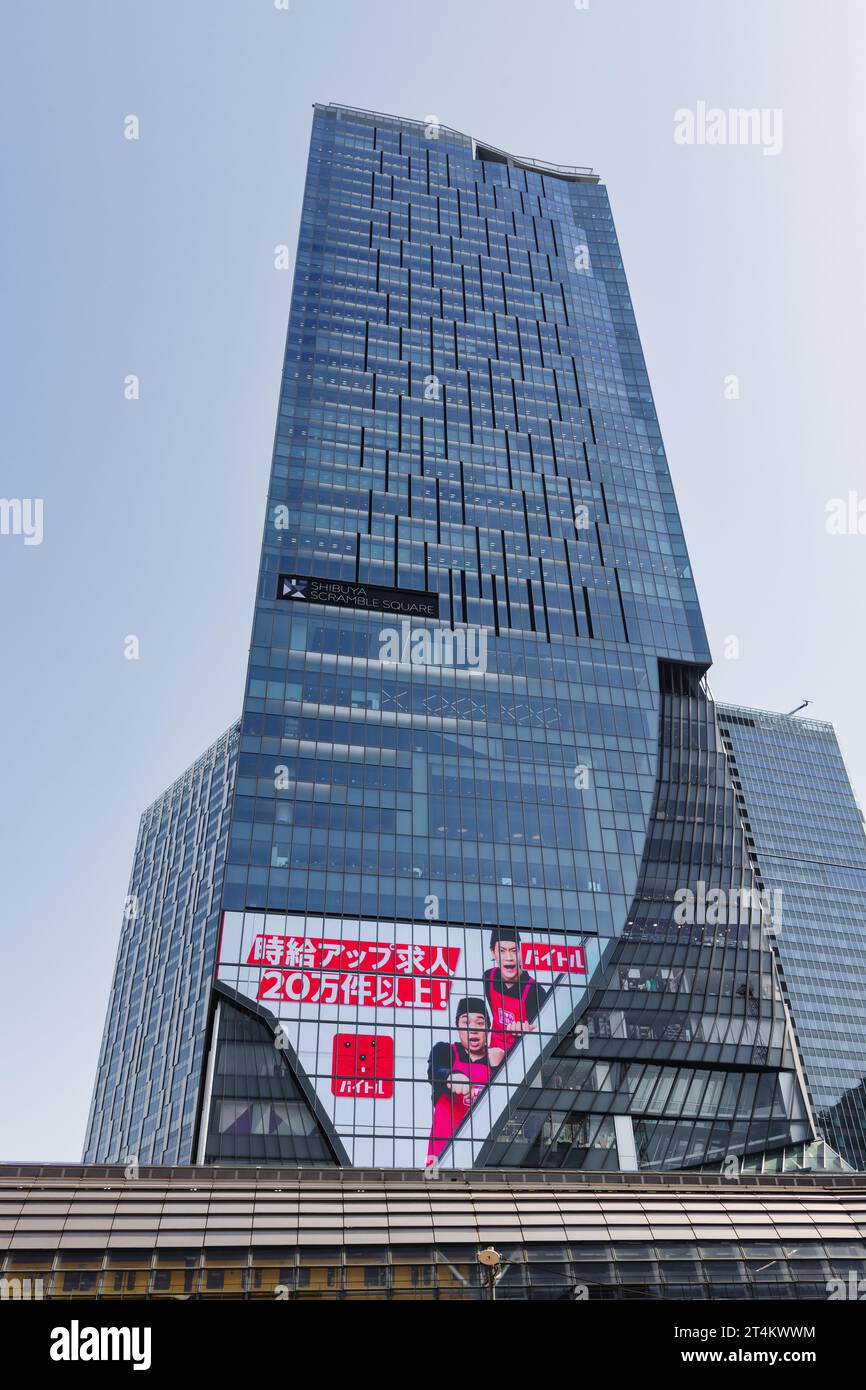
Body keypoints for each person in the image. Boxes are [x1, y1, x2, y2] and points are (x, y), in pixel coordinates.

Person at [426, 997, 494, 1165]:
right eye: (466, 1022)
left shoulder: (496, 1059)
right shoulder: (445, 1051)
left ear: (487, 1028)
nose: (473, 1029)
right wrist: (451, 1076)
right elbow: (435, 1071)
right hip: (444, 1147)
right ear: (457, 1026)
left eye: (480, 1023)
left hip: (485, 1144)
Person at [484, 927, 548, 1058]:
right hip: (494, 1052)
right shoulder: (488, 978)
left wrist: (526, 1030)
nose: (509, 957)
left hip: (520, 1058)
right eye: (502, 951)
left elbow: (542, 1032)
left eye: (514, 951)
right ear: (493, 952)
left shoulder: (535, 991)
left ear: (521, 952)